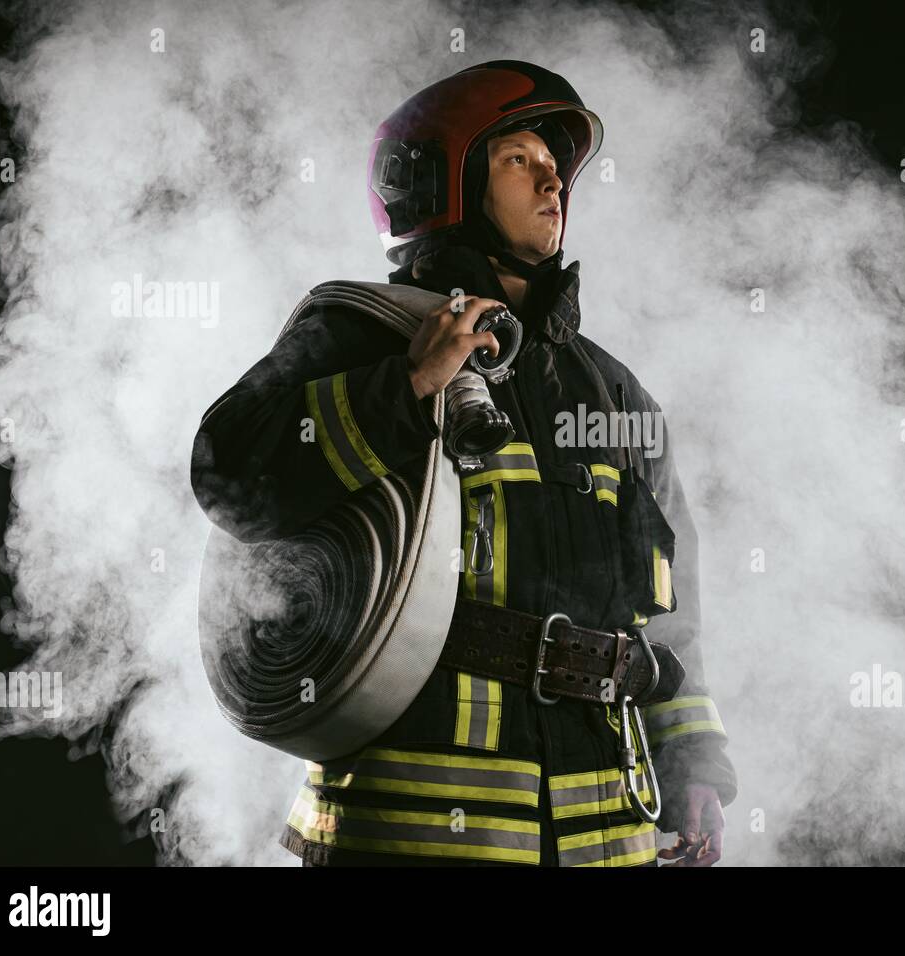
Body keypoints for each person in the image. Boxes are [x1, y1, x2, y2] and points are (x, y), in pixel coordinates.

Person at [190, 60, 736, 866]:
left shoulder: (612, 392)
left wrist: (691, 764)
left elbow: (669, 606)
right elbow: (228, 477)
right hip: (412, 828)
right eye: (520, 158)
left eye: (556, 165)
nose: (552, 180)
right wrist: (408, 384)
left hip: (603, 835)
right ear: (441, 181)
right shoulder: (363, 335)